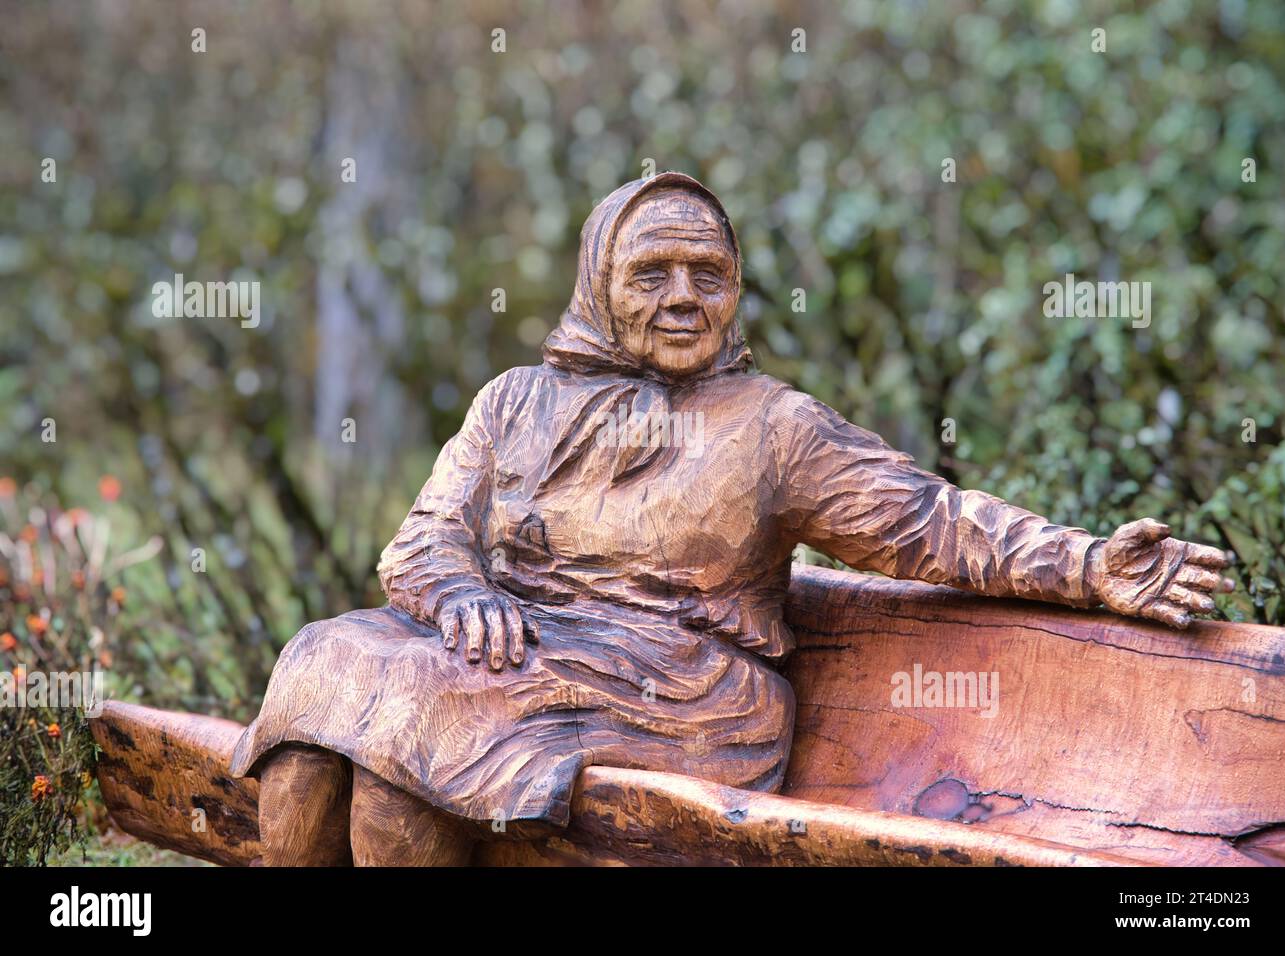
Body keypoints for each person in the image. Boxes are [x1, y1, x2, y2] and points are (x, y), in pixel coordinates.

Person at [230, 172, 1233, 865]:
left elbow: (931, 521)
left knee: (407, 725)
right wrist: (452, 589)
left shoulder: (774, 427)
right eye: (651, 273)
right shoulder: (513, 402)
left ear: (736, 290)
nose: (682, 297)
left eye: (707, 275)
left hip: (691, 695)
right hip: (519, 667)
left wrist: (1091, 561)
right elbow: (422, 538)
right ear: (597, 282)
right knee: (325, 668)